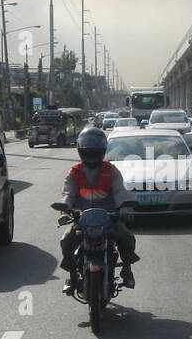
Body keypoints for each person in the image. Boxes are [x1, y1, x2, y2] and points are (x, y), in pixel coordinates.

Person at [58, 126, 138, 295]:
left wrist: (125, 208)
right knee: (66, 240)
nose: (91, 151)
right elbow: (67, 193)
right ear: (80, 149)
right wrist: (65, 211)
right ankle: (73, 275)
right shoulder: (75, 171)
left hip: (109, 219)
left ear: (102, 149)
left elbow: (119, 191)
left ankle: (127, 269)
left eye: (95, 148)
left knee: (126, 237)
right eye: (88, 148)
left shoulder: (111, 170)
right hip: (81, 219)